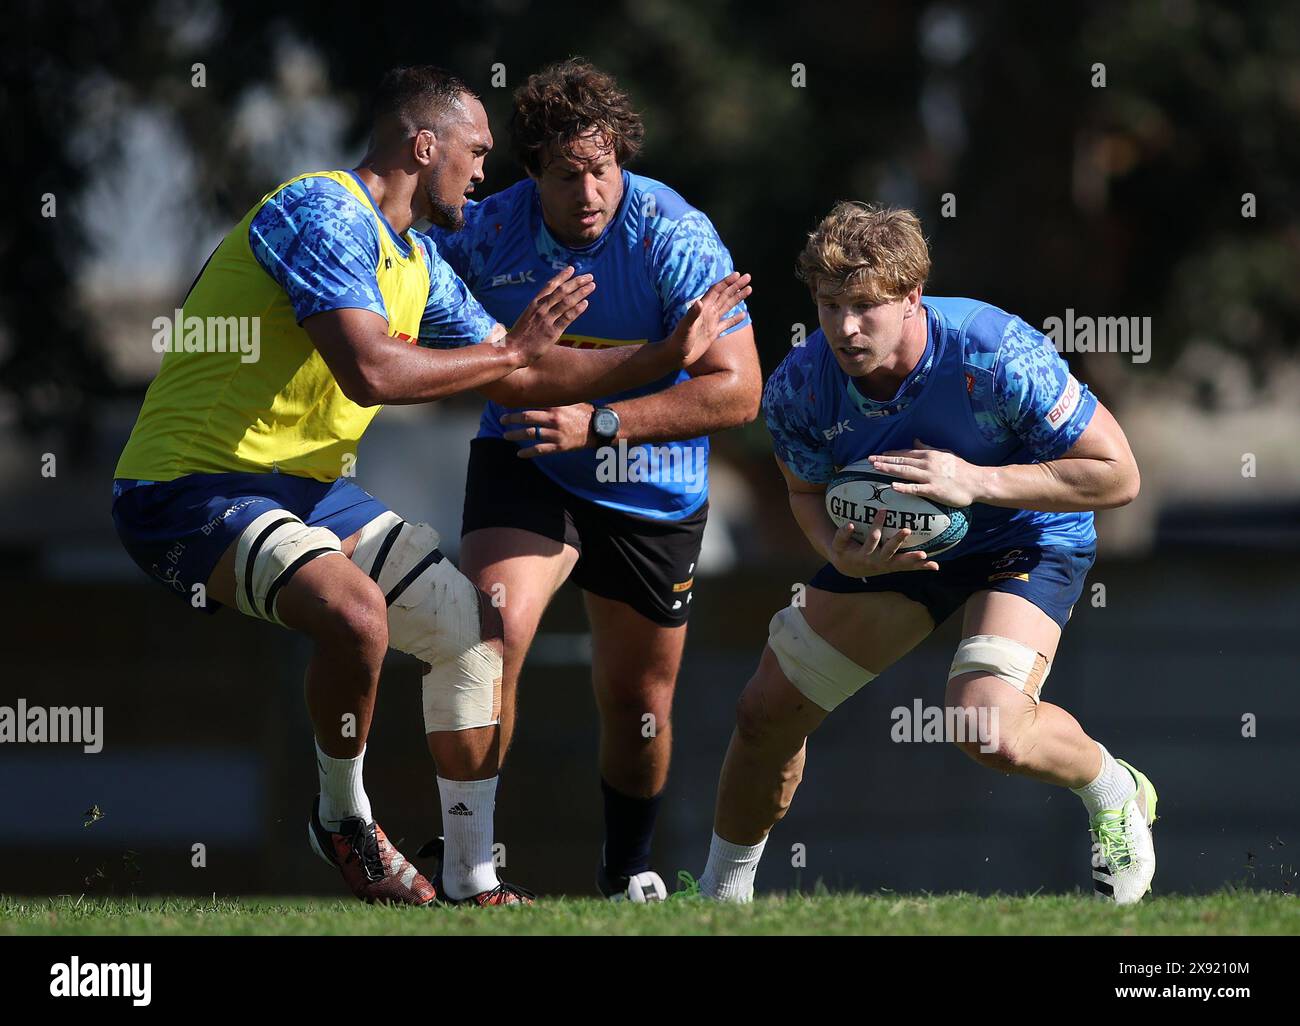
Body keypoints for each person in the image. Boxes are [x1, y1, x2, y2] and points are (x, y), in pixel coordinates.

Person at [112, 65, 716, 906]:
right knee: (357, 615)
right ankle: (343, 820)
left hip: (309, 490)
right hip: (189, 486)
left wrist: (663, 357)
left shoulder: (418, 260)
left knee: (472, 629)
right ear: (422, 145)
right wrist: (512, 351)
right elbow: (369, 371)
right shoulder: (321, 211)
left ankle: (472, 880)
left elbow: (520, 374)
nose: (482, 172)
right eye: (474, 151)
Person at [697, 201, 1157, 904]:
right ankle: (719, 905)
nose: (845, 329)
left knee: (987, 729)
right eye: (828, 306)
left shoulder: (994, 353)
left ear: (913, 296)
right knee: (766, 712)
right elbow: (802, 493)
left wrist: (973, 480)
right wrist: (838, 554)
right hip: (895, 548)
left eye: (865, 307)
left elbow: (1117, 474)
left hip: (1023, 534)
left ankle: (1111, 785)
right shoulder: (799, 385)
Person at [428, 59, 758, 901]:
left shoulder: (672, 235)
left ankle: (625, 873)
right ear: (532, 170)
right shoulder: (484, 230)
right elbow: (391, 280)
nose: (589, 193)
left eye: (603, 169)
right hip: (530, 458)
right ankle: (469, 870)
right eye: (568, 174)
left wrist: (602, 422)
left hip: (650, 483)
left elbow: (739, 390)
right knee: (487, 636)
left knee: (637, 700)